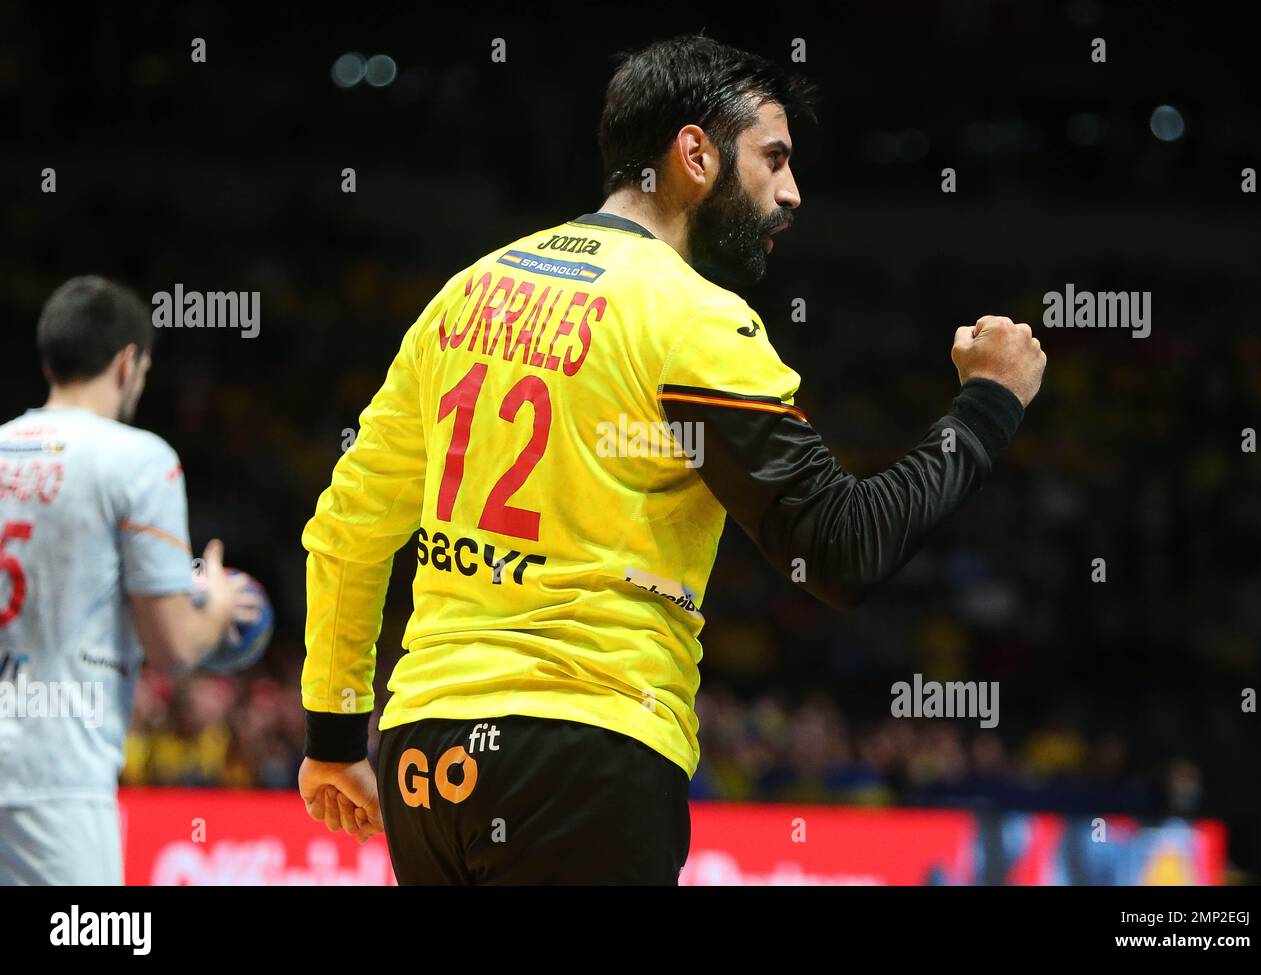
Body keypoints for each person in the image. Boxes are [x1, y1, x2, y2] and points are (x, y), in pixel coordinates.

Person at [298, 34, 1046, 884]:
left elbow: (348, 528)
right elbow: (841, 550)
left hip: (424, 753)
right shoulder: (689, 317)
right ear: (695, 154)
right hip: (587, 749)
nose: (792, 192)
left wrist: (330, 738)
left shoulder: (464, 294)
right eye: (773, 159)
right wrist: (990, 405)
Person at [0, 275, 257, 884]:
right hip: (56, 778)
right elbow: (172, 646)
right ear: (126, 363)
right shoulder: (139, 460)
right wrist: (217, 607)